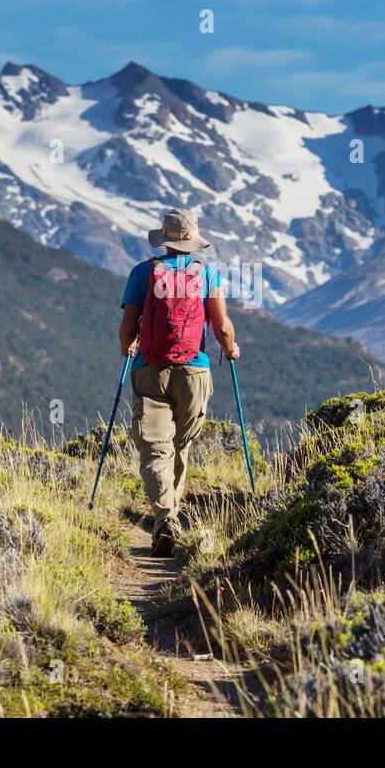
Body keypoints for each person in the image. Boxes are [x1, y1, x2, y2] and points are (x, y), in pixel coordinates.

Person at [119, 208, 239, 556]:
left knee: (155, 446)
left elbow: (128, 325)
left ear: (165, 240)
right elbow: (222, 327)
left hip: (149, 369)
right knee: (180, 444)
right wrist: (230, 350)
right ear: (193, 242)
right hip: (194, 371)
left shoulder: (143, 273)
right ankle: (170, 515)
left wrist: (127, 347)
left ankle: (164, 518)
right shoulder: (208, 275)